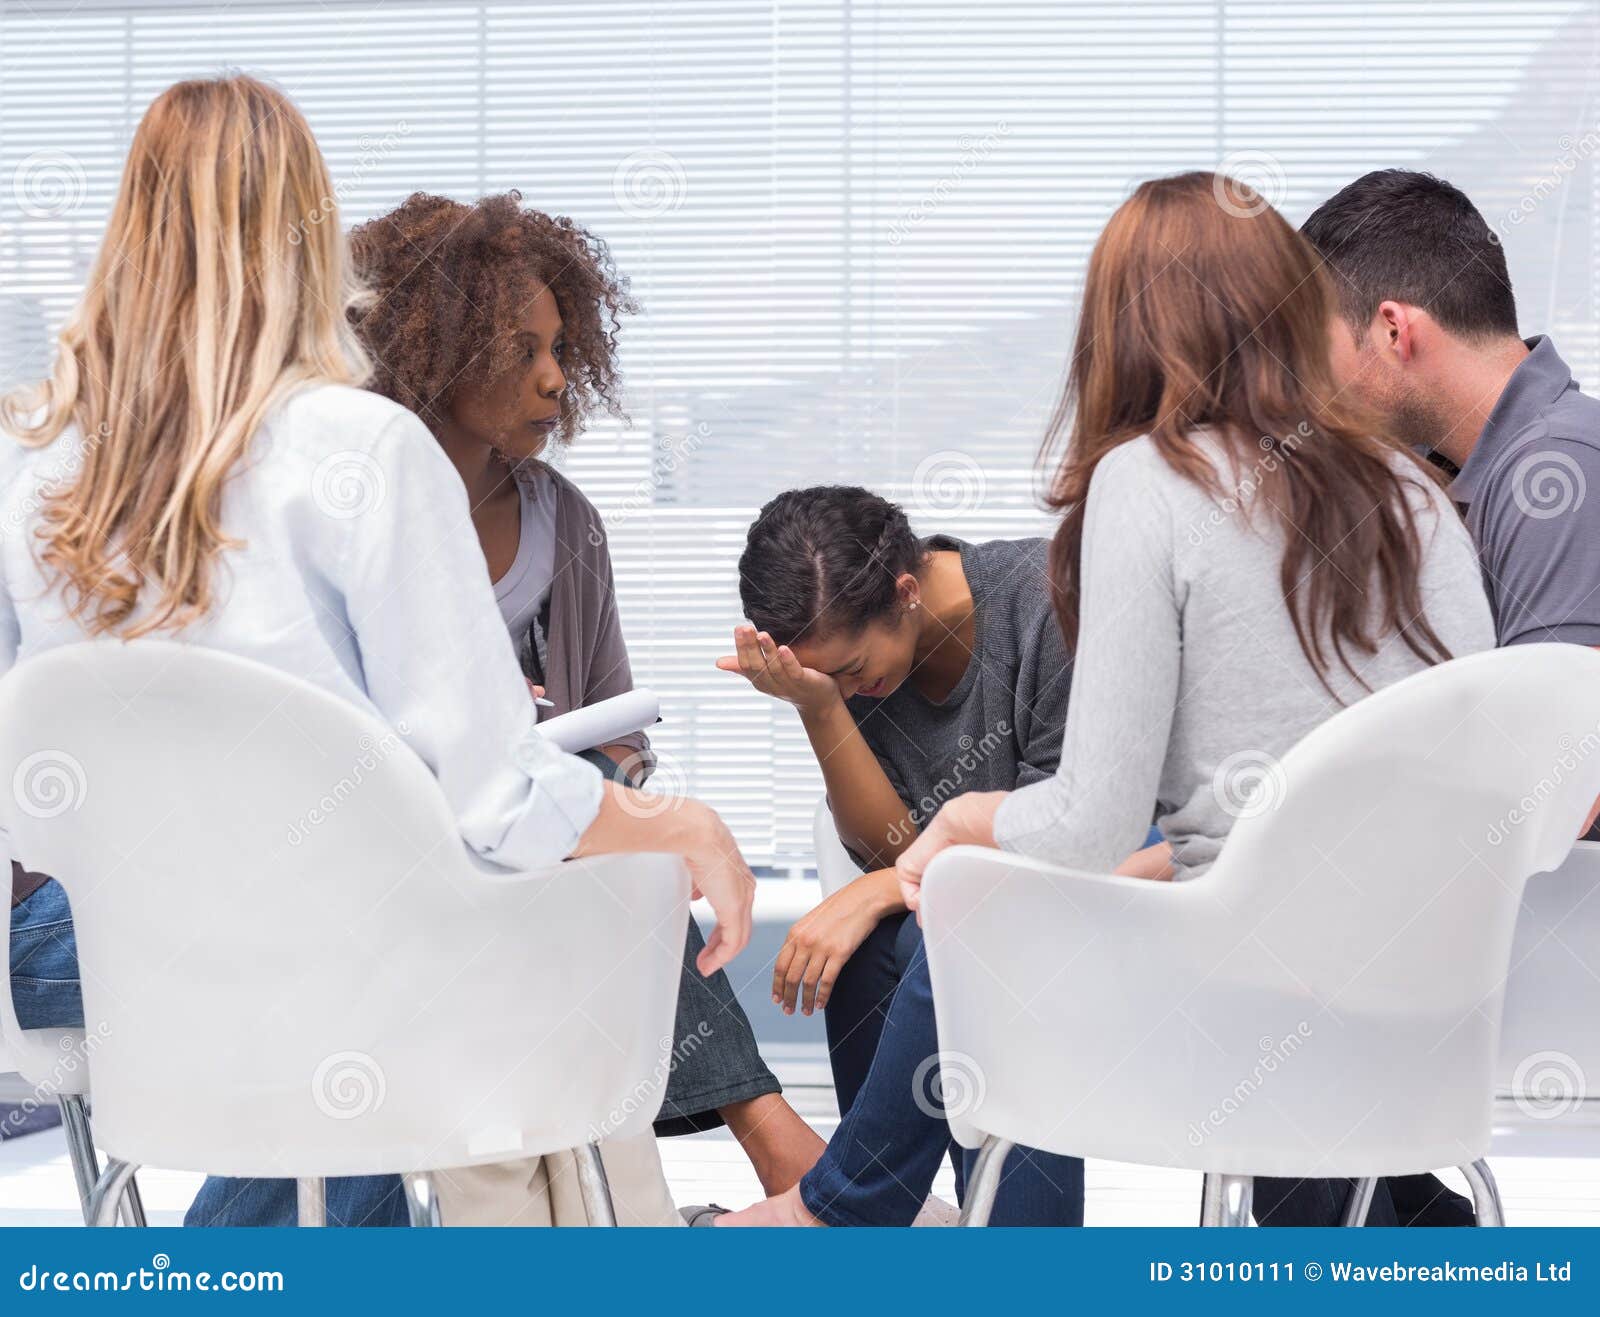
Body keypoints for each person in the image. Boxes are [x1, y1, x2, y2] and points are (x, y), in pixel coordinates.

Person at [2, 74, 754, 1228]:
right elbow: (494, 793)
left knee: (347, 978)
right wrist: (680, 825)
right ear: (305, 234)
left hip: (100, 959)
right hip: (335, 954)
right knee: (431, 944)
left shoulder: (36, 464)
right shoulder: (359, 447)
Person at [892, 171, 1498, 1228]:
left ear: (1119, 330)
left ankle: (958, 1245)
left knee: (955, 919)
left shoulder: (1145, 483)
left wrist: (960, 818)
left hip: (1248, 1006)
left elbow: (1083, 828)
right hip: (1439, 1006)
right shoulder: (1412, 489)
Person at [345, 191, 825, 1216]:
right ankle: (758, 1149)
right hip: (397, 865)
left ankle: (677, 1196)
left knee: (610, 869)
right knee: (596, 889)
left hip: (534, 844)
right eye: (521, 350)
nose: (556, 378)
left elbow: (618, 730)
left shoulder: (564, 525)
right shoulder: (355, 514)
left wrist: (597, 773)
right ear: (434, 351)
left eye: (563, 347)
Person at [713, 485, 1088, 1226]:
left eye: (852, 671)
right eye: (832, 681)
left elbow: (1070, 835)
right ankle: (881, 1232)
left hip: (1085, 911)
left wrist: (880, 891)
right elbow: (894, 849)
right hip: (965, 926)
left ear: (906, 592)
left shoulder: (1045, 602)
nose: (853, 689)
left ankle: (853, 1216)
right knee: (883, 947)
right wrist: (819, 706)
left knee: (940, 935)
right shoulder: (844, 665)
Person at [1302, 169, 1600, 851]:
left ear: (1392, 329)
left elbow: (1564, 783)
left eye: (1321, 353)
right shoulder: (1487, 471)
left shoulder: (1554, 468)